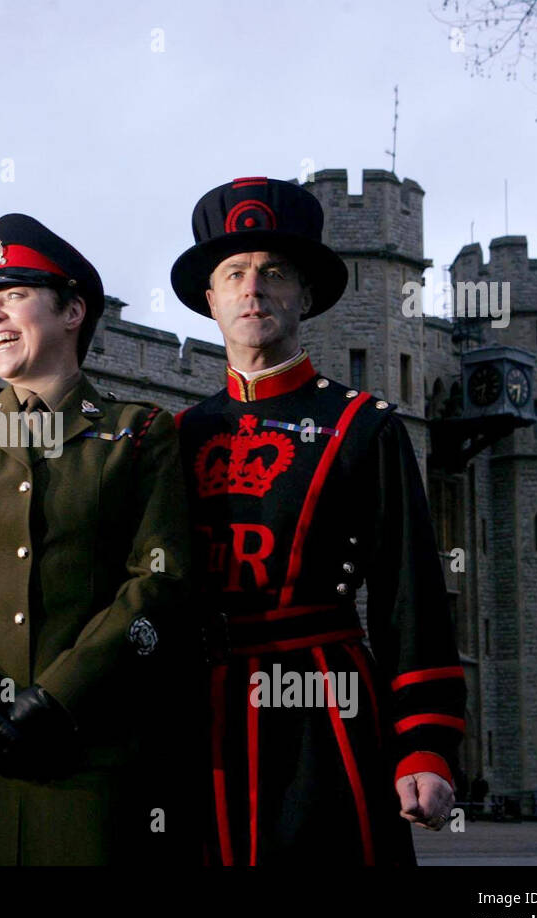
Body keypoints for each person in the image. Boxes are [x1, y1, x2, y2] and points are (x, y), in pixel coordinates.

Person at [0, 214, 192, 865]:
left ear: (73, 309)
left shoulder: (138, 435)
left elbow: (159, 579)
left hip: (90, 752)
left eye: (12, 299)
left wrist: (59, 698)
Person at [170, 177, 467, 865]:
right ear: (210, 299)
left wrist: (423, 743)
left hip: (325, 711)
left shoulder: (365, 426)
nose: (253, 290)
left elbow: (409, 591)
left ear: (304, 296)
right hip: (201, 715)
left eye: (274, 273)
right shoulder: (178, 435)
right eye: (235, 274)